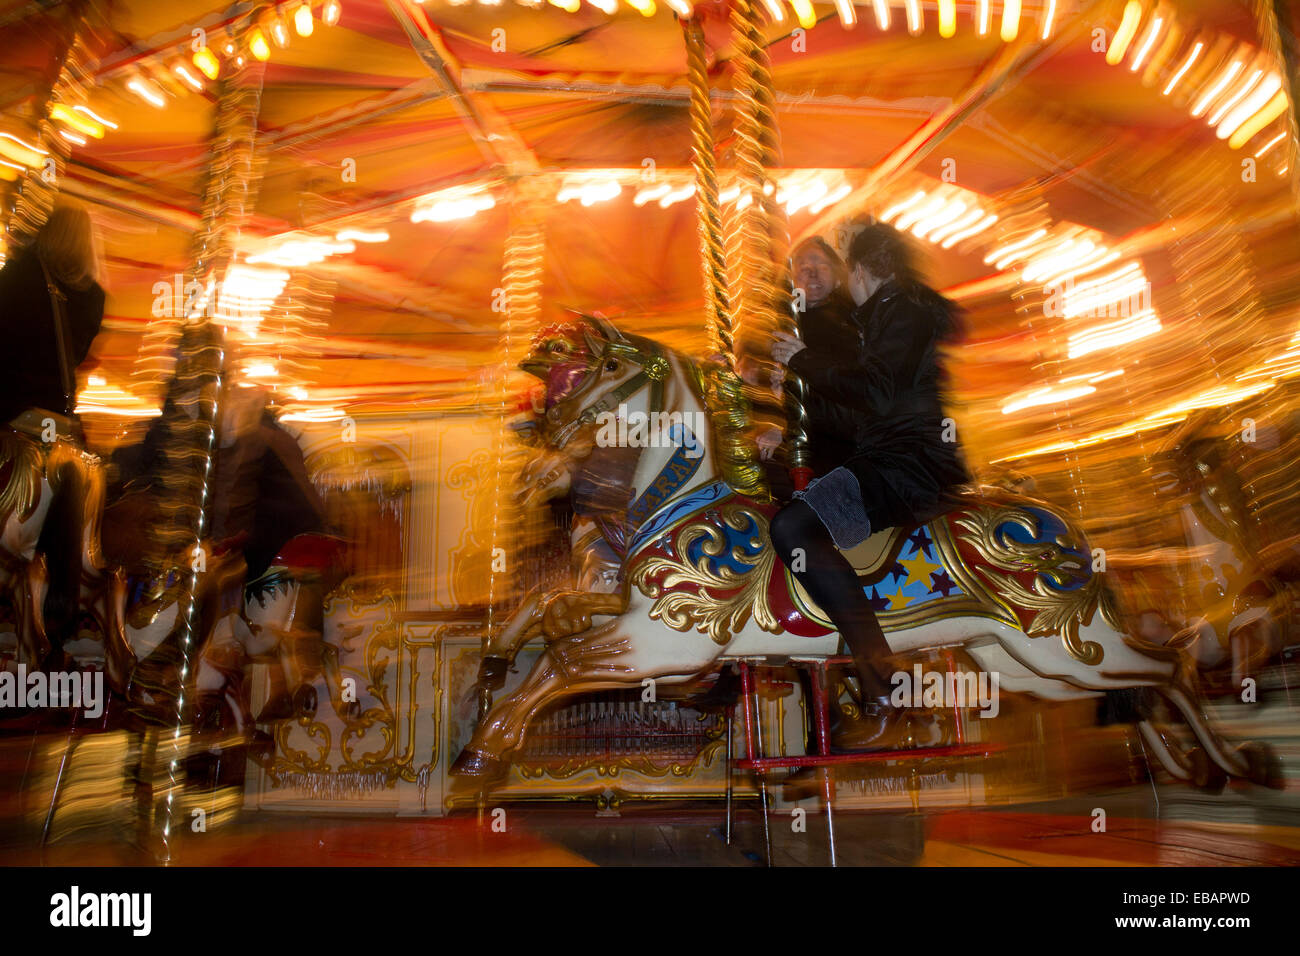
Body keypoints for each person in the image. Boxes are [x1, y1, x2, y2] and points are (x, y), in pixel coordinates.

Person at [769, 222, 970, 752]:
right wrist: (793, 383)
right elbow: (864, 407)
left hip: (909, 466)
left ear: (857, 270)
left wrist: (802, 361)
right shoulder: (892, 311)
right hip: (892, 454)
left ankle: (884, 689)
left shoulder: (900, 311)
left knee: (793, 525)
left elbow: (877, 391)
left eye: (837, 267)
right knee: (790, 520)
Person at [0, 201, 107, 657]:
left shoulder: (19, 277)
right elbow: (77, 356)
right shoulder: (94, 297)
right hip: (66, 433)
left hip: (19, 418)